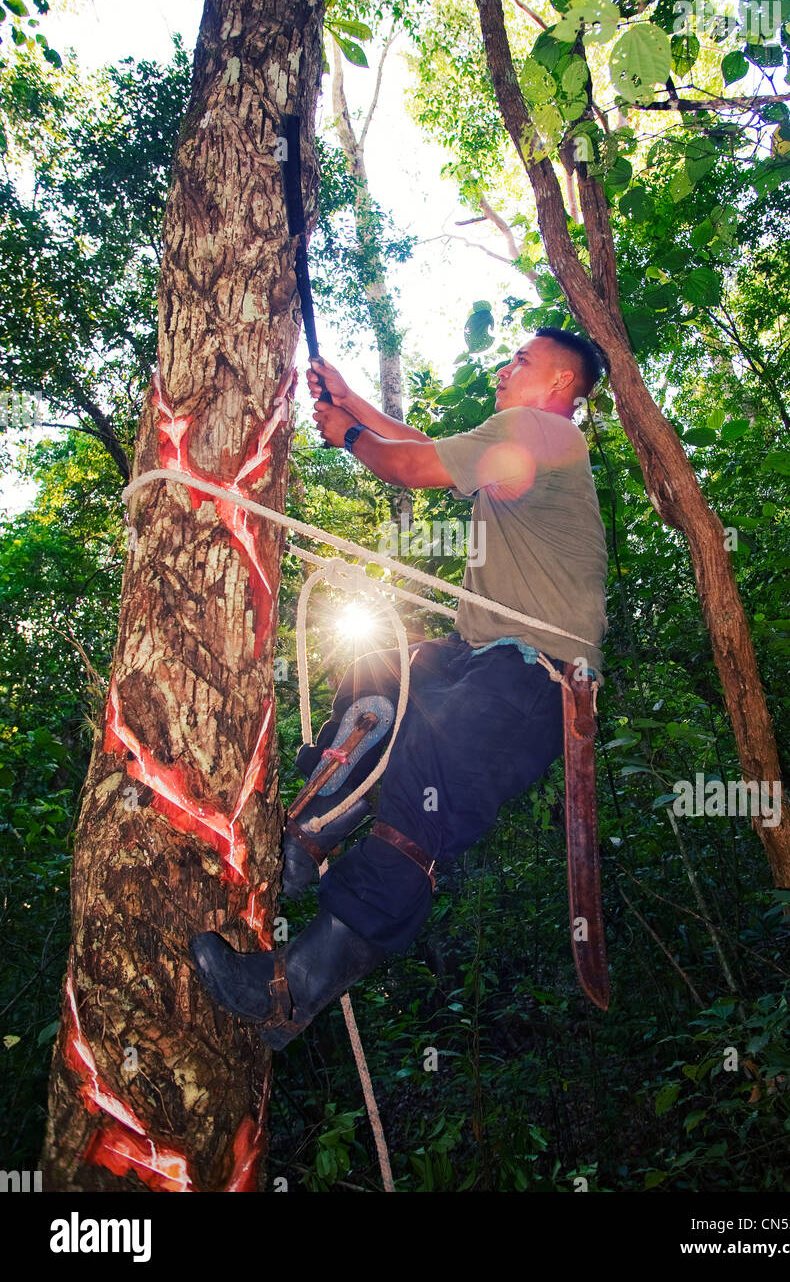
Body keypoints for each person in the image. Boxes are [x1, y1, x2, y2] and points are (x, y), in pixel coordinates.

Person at [191, 328, 609, 1048]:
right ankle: (311, 830)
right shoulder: (521, 445)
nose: (505, 367)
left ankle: (289, 990)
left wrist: (347, 432)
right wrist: (350, 400)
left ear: (559, 387)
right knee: (381, 672)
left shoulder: (538, 433)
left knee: (421, 795)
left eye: (522, 361)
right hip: (486, 661)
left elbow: (413, 466)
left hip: (532, 680)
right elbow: (427, 444)